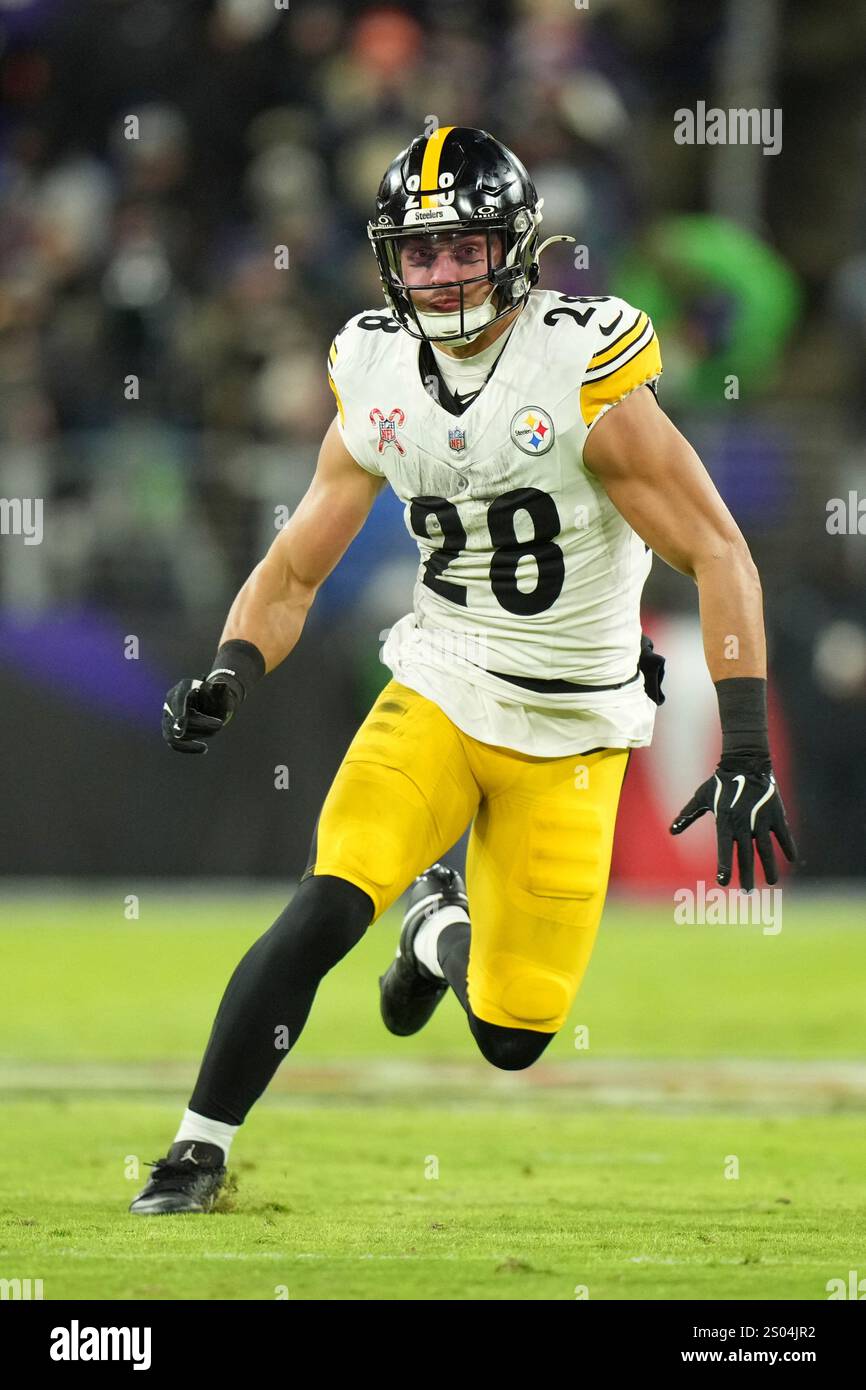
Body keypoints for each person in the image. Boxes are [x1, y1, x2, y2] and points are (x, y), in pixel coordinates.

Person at [130, 127, 796, 1214]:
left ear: (516, 246)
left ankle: (435, 929)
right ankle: (194, 1151)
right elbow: (295, 566)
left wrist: (748, 740)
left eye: (465, 246)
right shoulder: (374, 368)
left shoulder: (580, 366)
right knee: (326, 902)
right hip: (438, 680)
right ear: (392, 260)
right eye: (421, 252)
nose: (442, 274)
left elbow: (716, 548)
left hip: (575, 723)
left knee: (514, 1033)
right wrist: (233, 667)